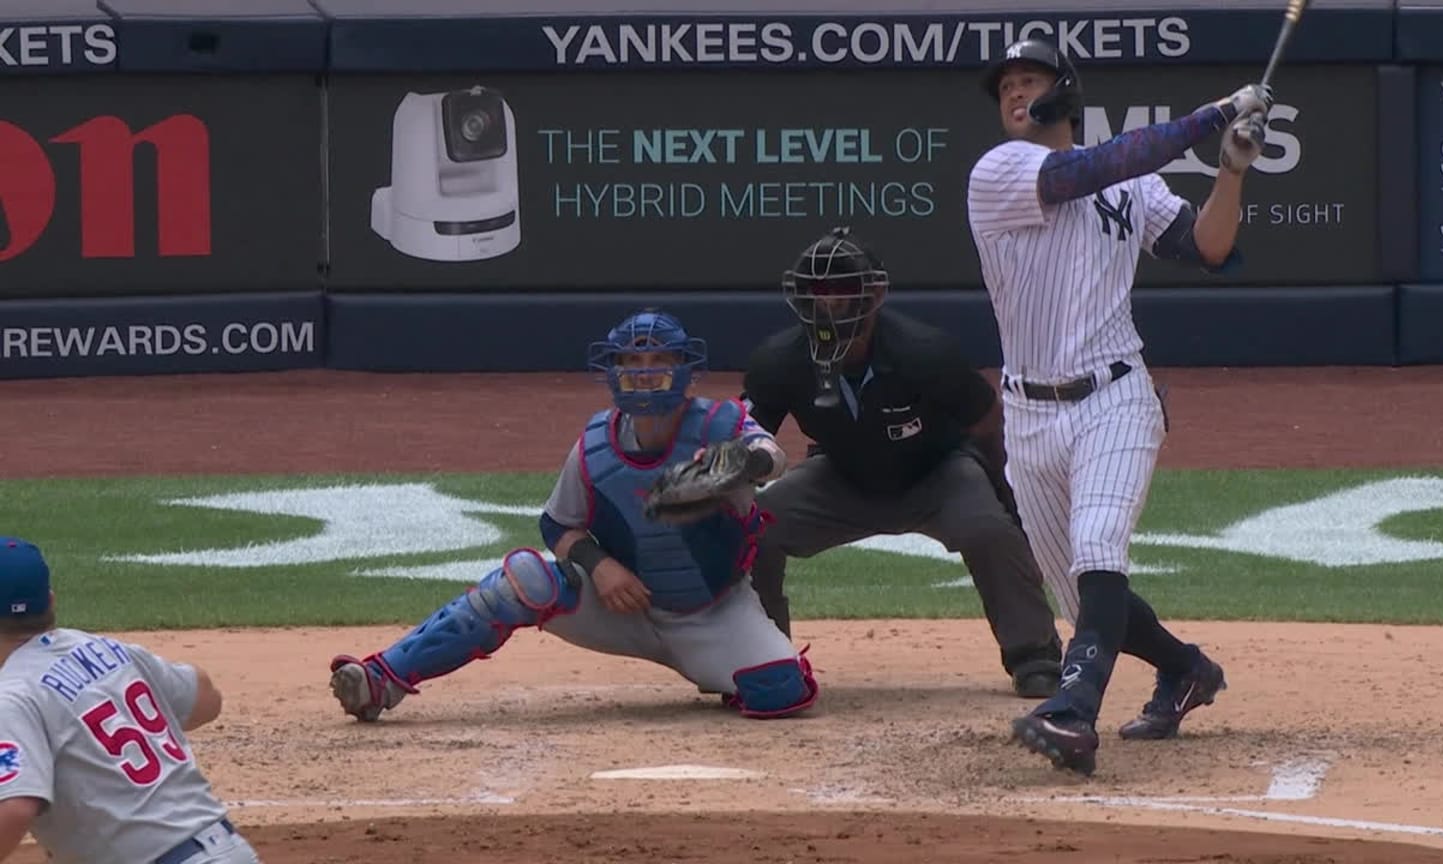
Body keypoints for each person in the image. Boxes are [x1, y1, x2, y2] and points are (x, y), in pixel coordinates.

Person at [965, 39, 1272, 774]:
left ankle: (1074, 714)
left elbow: (1208, 247)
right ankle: (1187, 669)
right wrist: (1215, 114)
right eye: (1005, 84)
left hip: (1115, 395)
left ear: (1062, 90)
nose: (1013, 93)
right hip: (1029, 415)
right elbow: (1088, 170)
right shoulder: (998, 172)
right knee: (1083, 599)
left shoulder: (1131, 189)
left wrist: (1231, 170)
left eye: (1028, 79)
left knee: (1100, 547)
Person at [329, 309, 819, 723]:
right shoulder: (596, 443)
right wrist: (598, 565)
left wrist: (741, 462)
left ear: (685, 371)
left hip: (713, 612)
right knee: (523, 580)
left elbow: (772, 456)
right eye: (632, 363)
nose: (645, 374)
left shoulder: (721, 424)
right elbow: (557, 524)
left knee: (782, 690)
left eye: (658, 362)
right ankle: (380, 679)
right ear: (614, 372)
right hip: (623, 609)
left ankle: (720, 670)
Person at [741, 226, 1064, 699]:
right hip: (842, 475)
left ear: (874, 295)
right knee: (757, 527)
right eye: (818, 294)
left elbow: (988, 421)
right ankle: (762, 658)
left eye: (842, 293)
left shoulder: (925, 351)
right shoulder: (778, 361)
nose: (828, 305)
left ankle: (1034, 653)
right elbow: (748, 433)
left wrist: (1010, 500)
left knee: (989, 529)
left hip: (937, 473)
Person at [0, 537, 259, 863]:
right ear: (50, 601)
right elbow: (207, 699)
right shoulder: (109, 649)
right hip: (230, 850)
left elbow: (15, 806)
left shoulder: (12, 695)